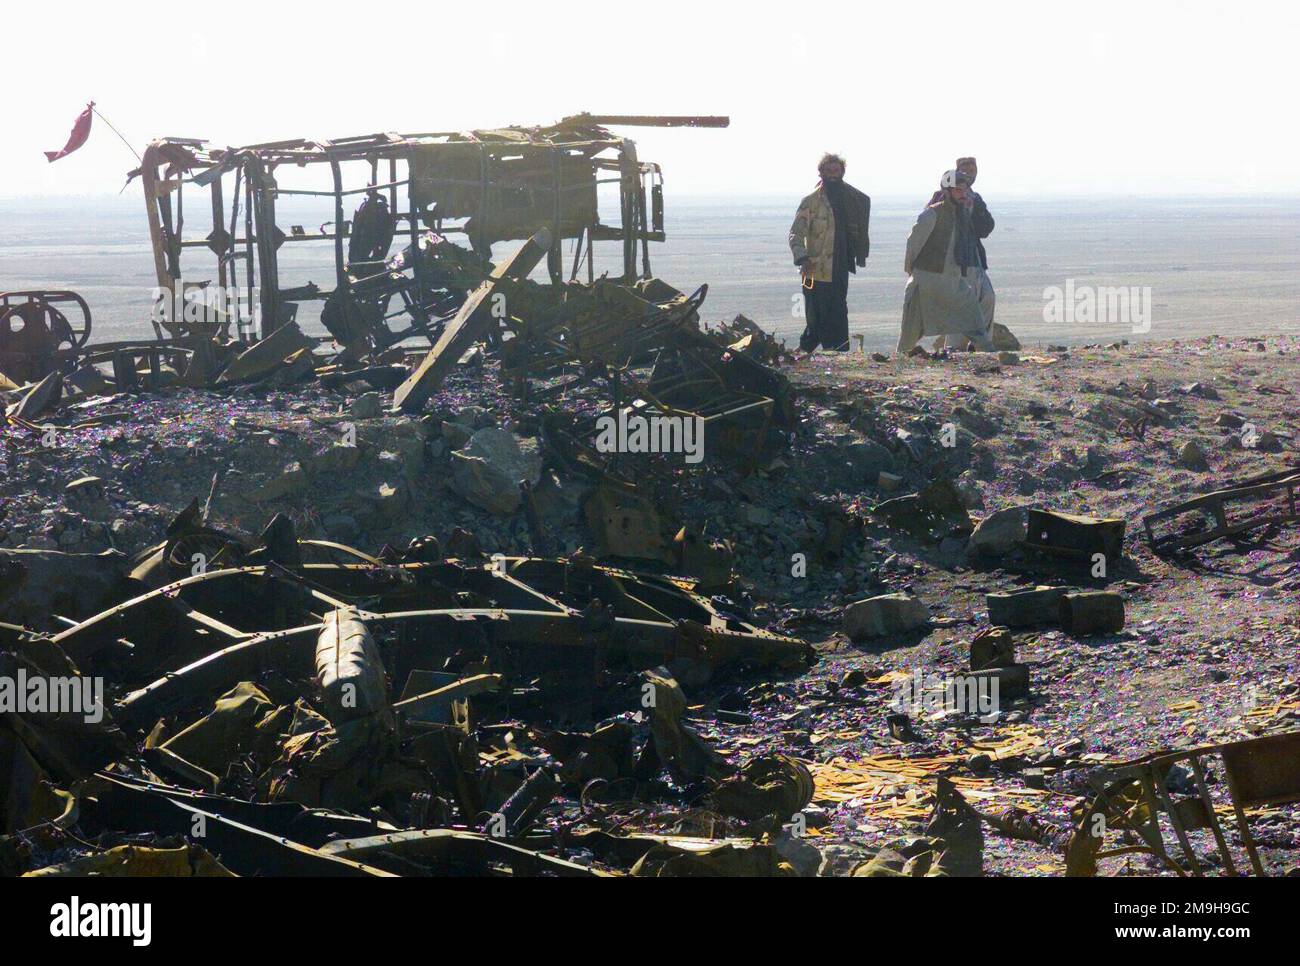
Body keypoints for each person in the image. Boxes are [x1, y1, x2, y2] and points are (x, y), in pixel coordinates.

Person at [898, 169, 996, 355]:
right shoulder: (931, 214)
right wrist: (912, 272)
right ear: (947, 190)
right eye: (958, 190)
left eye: (964, 190)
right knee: (910, 330)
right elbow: (913, 244)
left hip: (952, 280)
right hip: (927, 279)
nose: (963, 194)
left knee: (973, 318)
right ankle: (899, 362)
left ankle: (989, 355)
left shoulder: (963, 215)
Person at [788, 153, 871, 351]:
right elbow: (795, 233)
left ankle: (838, 353)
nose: (833, 175)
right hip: (815, 269)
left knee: (838, 312)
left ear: (843, 172)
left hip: (840, 267)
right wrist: (802, 258)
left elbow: (863, 211)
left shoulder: (852, 199)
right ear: (821, 173)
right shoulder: (811, 202)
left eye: (836, 171)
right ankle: (805, 351)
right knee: (815, 315)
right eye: (828, 171)